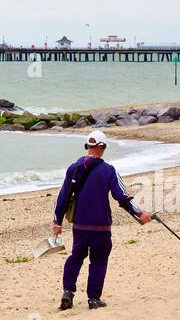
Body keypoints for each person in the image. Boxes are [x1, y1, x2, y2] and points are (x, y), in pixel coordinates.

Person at [51, 130, 151, 310]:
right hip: (101, 225)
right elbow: (122, 196)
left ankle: (68, 292)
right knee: (98, 260)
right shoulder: (109, 170)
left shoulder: (73, 168)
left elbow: (63, 197)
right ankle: (93, 299)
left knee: (76, 257)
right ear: (103, 147)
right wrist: (139, 213)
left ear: (87, 146)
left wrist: (57, 222)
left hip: (80, 225)